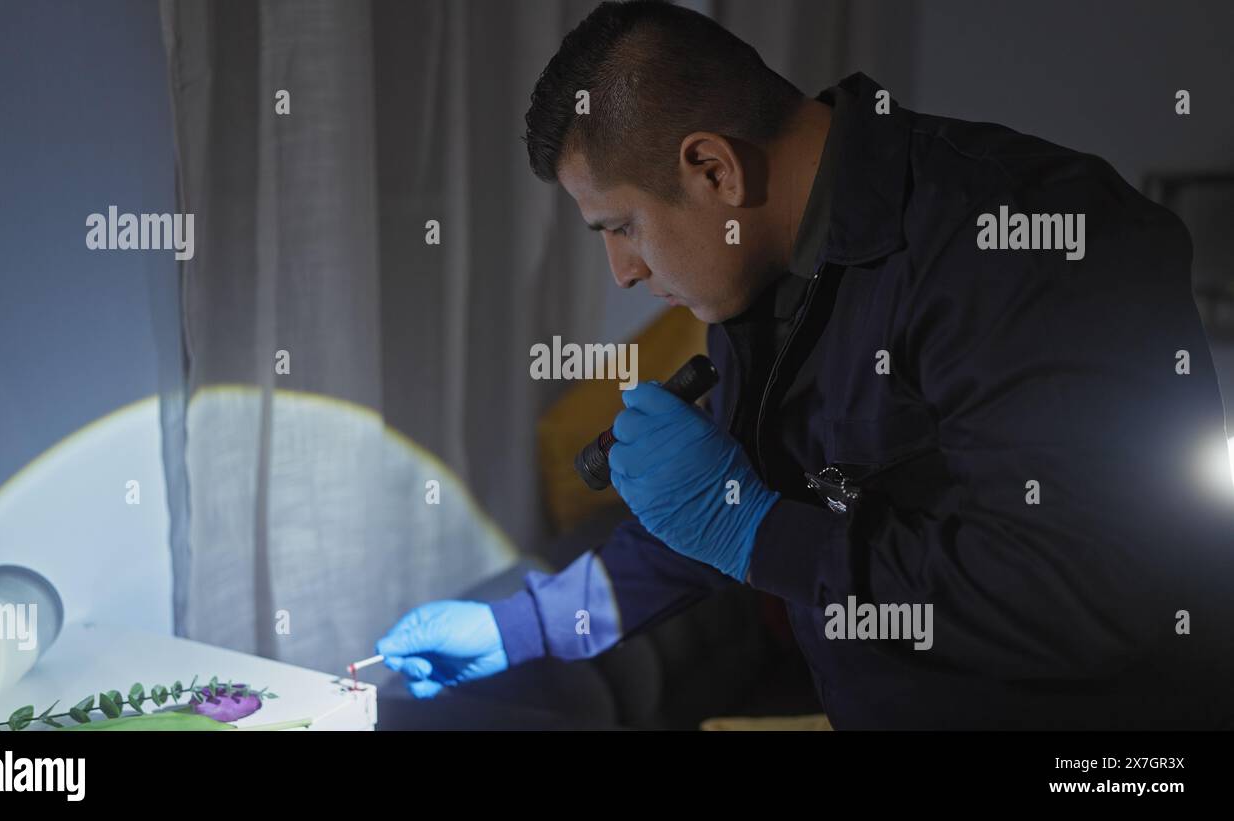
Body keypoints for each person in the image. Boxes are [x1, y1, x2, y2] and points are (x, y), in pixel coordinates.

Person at [375, 0, 1234, 729]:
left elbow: (1080, 595)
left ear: (712, 167)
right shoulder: (764, 268)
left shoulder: (1025, 235)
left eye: (619, 227)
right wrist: (529, 624)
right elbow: (725, 514)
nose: (625, 271)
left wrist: (754, 529)